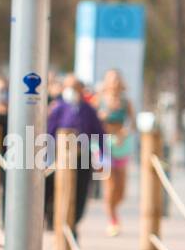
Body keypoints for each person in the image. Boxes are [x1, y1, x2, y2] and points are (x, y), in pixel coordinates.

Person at [46, 74, 105, 230]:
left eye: (74, 87)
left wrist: (102, 157)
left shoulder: (88, 110)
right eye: (68, 86)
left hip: (82, 156)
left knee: (81, 192)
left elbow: (99, 133)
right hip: (60, 157)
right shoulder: (58, 108)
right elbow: (49, 132)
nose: (71, 90)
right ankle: (56, 222)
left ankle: (72, 224)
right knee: (56, 190)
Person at [96, 68, 133, 236]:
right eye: (111, 79)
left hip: (121, 146)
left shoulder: (126, 102)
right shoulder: (99, 100)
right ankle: (112, 220)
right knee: (110, 186)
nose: (114, 82)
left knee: (121, 190)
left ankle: (112, 208)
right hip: (103, 146)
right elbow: (91, 122)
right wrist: (100, 119)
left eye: (117, 78)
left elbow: (133, 123)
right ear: (106, 82)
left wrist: (125, 133)